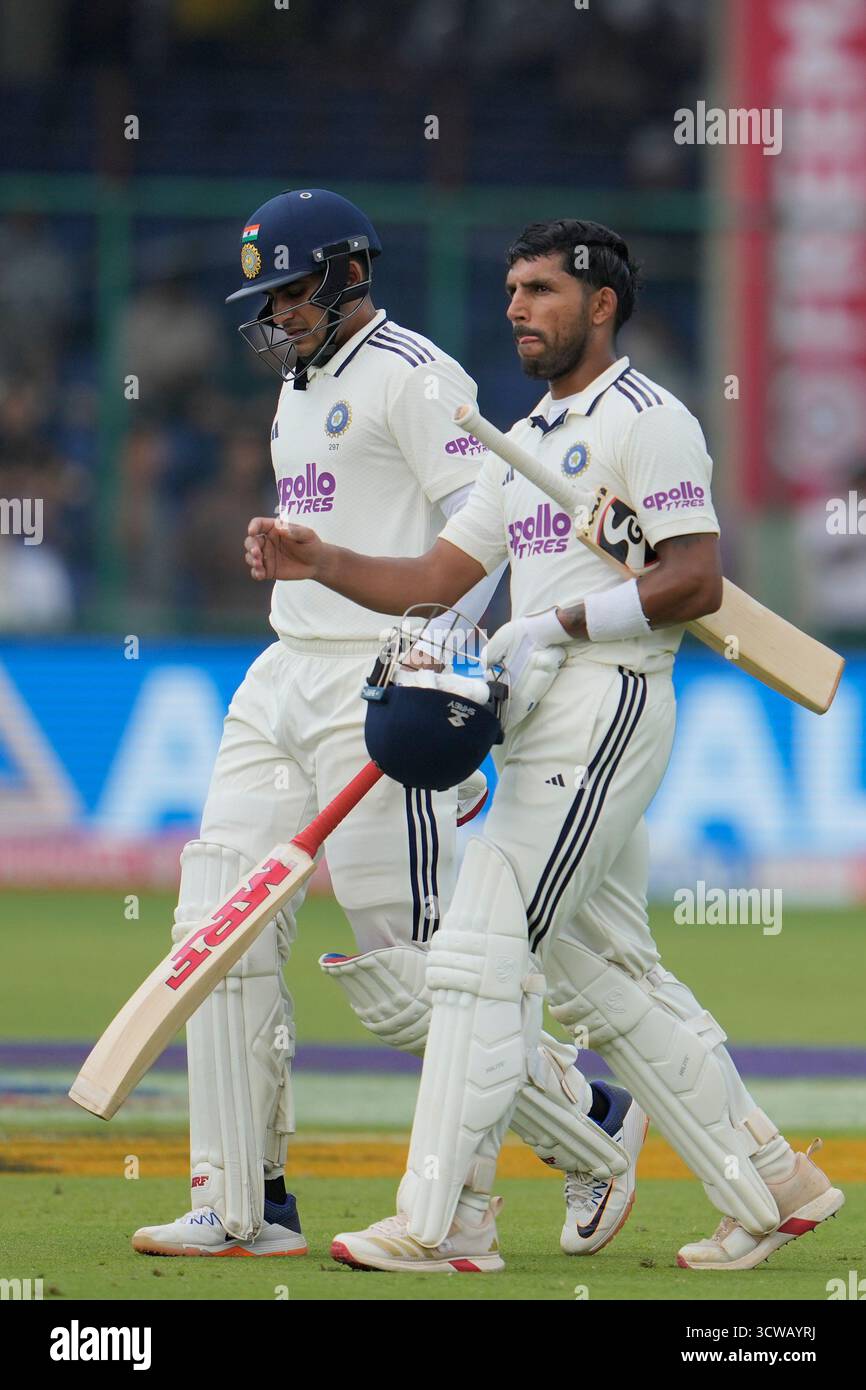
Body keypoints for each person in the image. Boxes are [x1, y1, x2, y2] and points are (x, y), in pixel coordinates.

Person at [245, 219, 844, 1273]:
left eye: (538, 290)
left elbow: (693, 580)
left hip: (606, 702)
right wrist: (322, 557)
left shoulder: (647, 419)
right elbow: (437, 578)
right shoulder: (515, 438)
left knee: (478, 956)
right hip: (538, 717)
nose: (515, 306)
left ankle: (441, 1224)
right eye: (511, 288)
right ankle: (773, 1181)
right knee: (602, 976)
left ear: (599, 303)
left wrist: (554, 623)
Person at [132, 195, 644, 1260]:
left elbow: (491, 531)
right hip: (281, 670)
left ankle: (588, 1127)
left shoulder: (416, 375)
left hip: (383, 683)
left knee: (411, 977)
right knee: (216, 924)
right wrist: (285, 552)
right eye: (263, 296)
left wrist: (438, 679)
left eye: (285, 290)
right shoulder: (293, 392)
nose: (272, 313)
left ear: (341, 276)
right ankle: (243, 1202)